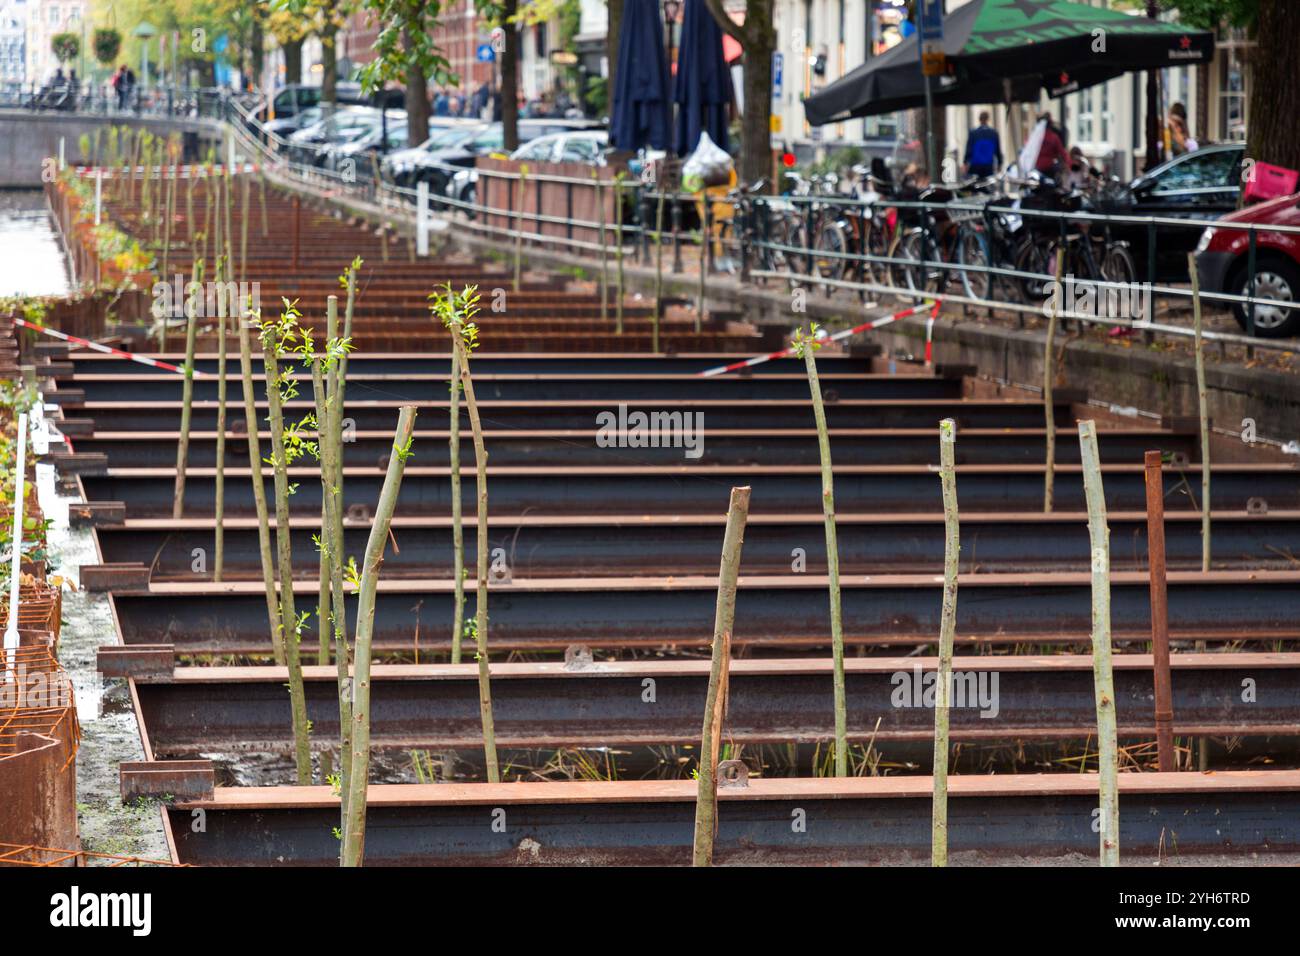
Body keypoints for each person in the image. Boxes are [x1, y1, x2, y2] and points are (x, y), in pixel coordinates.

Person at [963, 111, 1002, 179]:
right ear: (988, 119)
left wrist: (965, 163)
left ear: (979, 119)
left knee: (976, 186)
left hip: (975, 166)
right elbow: (997, 150)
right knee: (987, 186)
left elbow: (969, 150)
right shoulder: (993, 133)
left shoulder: (973, 133)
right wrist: (999, 164)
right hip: (988, 166)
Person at [1033, 111, 1068, 177]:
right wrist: (1069, 164)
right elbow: (1062, 152)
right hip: (1049, 167)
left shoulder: (1034, 137)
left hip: (1036, 167)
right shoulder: (1053, 137)